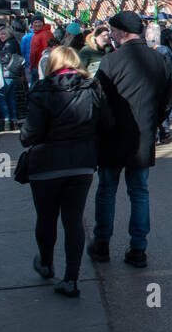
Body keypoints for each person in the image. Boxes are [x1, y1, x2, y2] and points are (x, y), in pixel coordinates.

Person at [20, 46, 109, 296]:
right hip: (81, 165)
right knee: (74, 220)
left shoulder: (41, 89)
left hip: (46, 164)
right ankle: (71, 279)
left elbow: (30, 134)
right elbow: (106, 123)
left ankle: (46, 264)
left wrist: (26, 137)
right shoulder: (92, 88)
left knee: (46, 218)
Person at [91, 12, 172, 268]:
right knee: (139, 192)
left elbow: (98, 100)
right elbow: (167, 101)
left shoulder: (111, 61)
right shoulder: (159, 60)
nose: (111, 35)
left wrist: (104, 127)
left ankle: (101, 245)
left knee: (106, 191)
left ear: (120, 32)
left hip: (112, 137)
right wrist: (155, 122)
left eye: (112, 31)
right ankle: (138, 249)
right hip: (143, 137)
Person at [0, 25, 27, 130]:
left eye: (3, 34)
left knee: (1, 96)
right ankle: (13, 121)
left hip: (7, 74)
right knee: (11, 98)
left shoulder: (9, 44)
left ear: (9, 34)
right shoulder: (13, 43)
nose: (1, 36)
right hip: (14, 75)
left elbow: (5, 59)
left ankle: (7, 121)